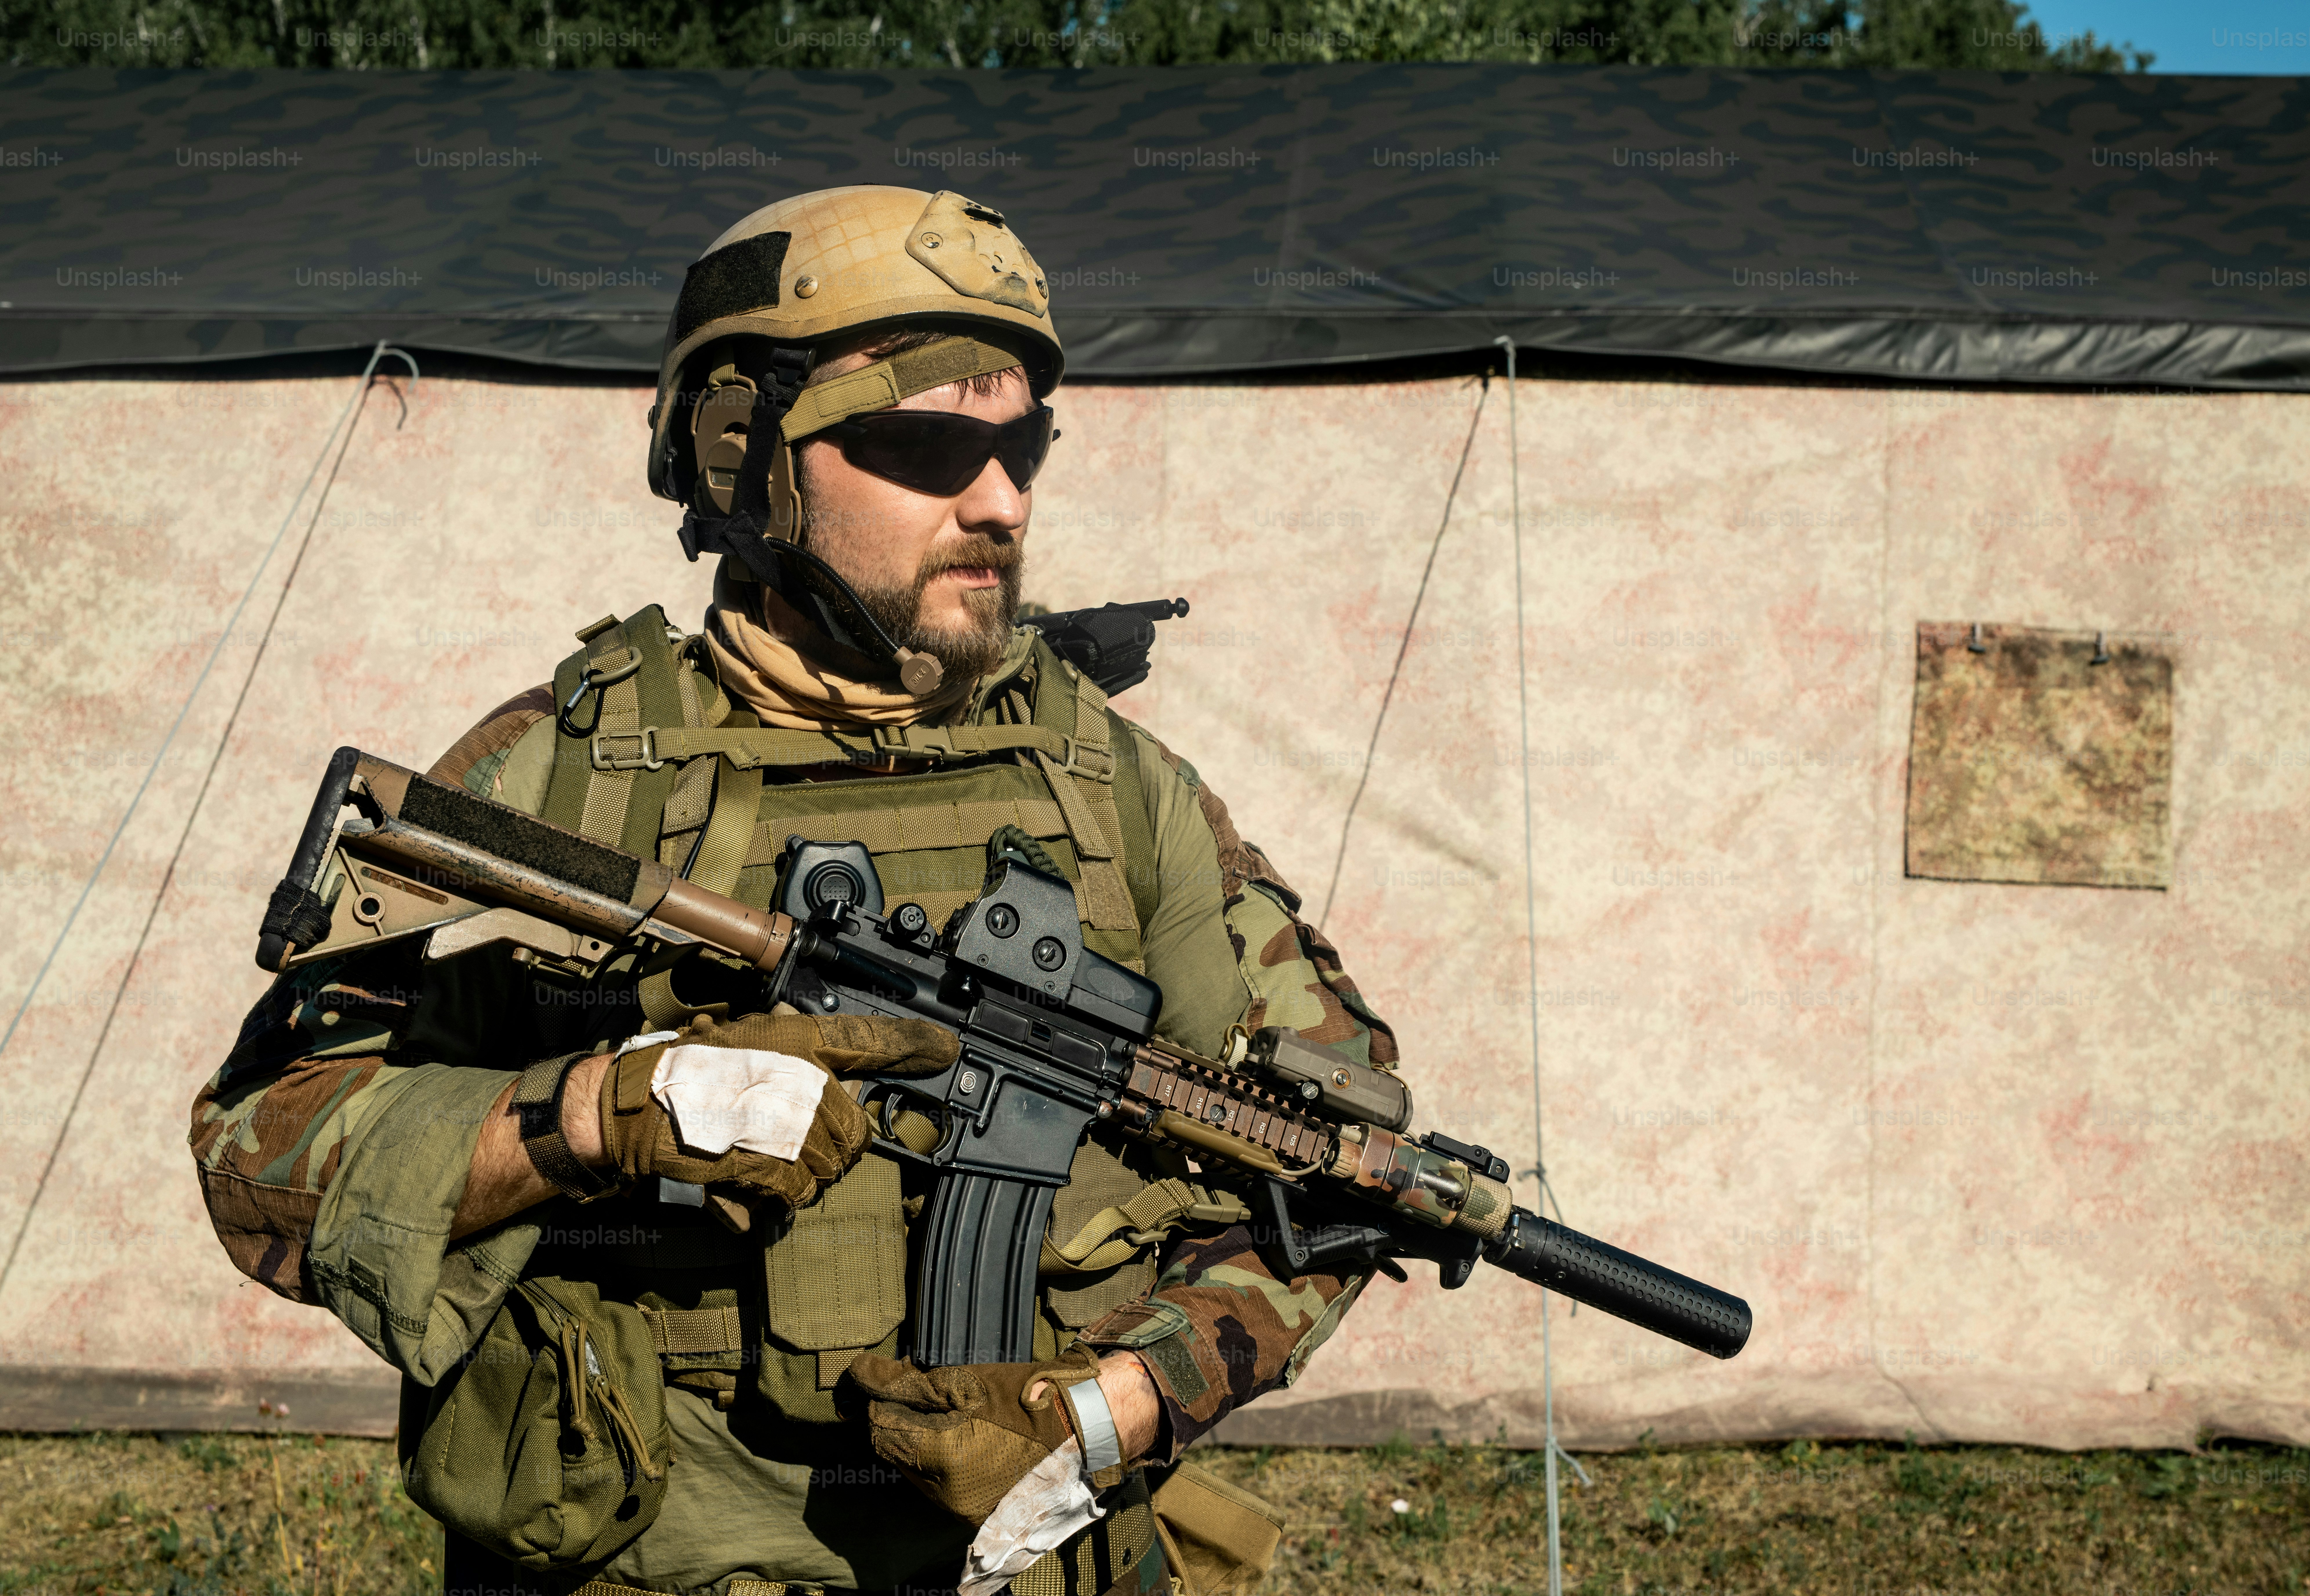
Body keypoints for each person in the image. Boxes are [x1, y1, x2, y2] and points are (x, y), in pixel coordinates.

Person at [190, 185, 1403, 1596]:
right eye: (928, 442)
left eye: (1023, 445)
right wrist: (599, 1117)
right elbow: (258, 1158)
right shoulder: (564, 783)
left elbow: (1344, 1158)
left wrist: (1115, 1408)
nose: (1000, 500)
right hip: (640, 1550)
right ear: (744, 450)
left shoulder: (1116, 785)